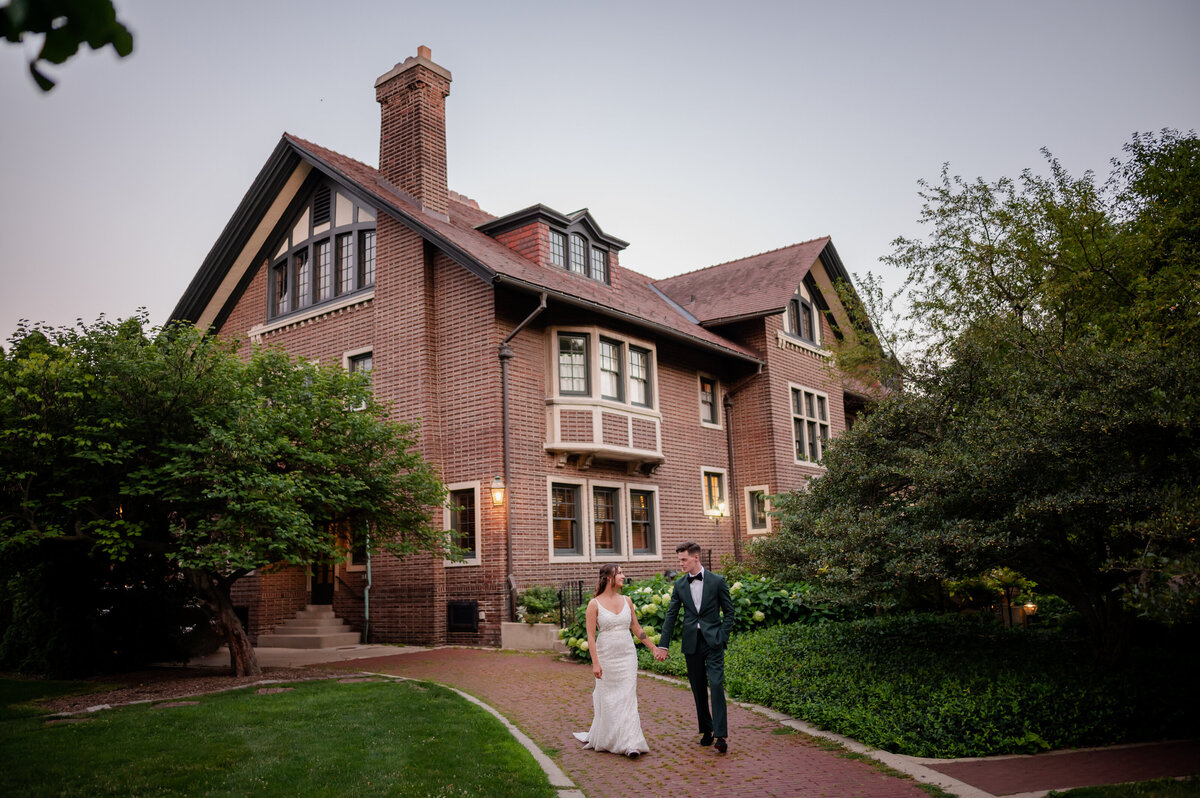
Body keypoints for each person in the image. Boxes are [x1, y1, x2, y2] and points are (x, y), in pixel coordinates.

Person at [655, 541, 736, 753]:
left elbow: (729, 612)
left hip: (714, 641)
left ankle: (721, 735)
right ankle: (707, 730)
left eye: (684, 559)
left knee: (717, 686)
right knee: (698, 688)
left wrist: (722, 636)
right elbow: (671, 616)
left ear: (695, 557)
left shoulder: (717, 581)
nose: (681, 563)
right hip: (692, 643)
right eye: (679, 559)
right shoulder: (680, 585)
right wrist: (663, 645)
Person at [573, 564, 656, 758]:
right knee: (610, 699)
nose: (623, 576)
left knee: (628, 698)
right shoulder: (594, 604)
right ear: (609, 577)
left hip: (627, 656)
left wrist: (653, 647)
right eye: (620, 573)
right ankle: (611, 738)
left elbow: (636, 627)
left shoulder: (627, 600)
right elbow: (591, 637)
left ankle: (631, 743)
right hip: (606, 656)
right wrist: (595, 663)